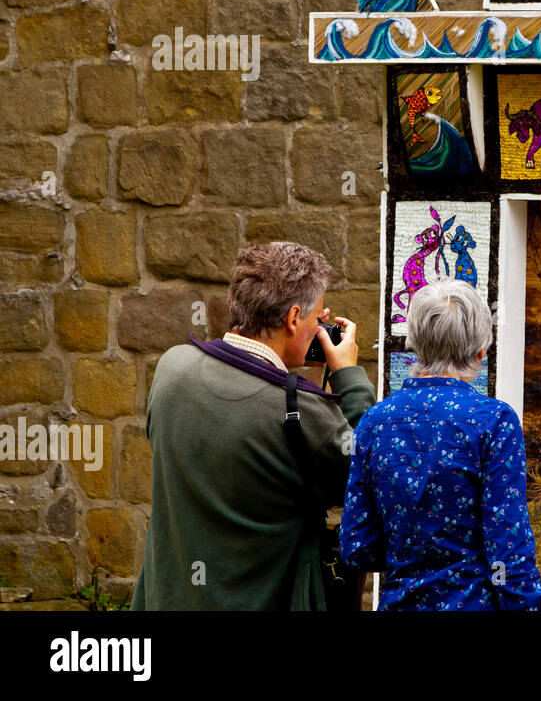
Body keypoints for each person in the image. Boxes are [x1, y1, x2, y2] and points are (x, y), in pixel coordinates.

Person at [132, 242, 375, 610]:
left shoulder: (172, 368)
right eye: (313, 320)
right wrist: (348, 376)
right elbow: (367, 473)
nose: (318, 328)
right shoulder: (302, 412)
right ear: (294, 318)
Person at [340, 279, 541, 610]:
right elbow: (507, 546)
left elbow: (357, 547)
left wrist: (412, 551)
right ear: (481, 349)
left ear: (415, 343)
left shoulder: (374, 423)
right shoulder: (493, 423)